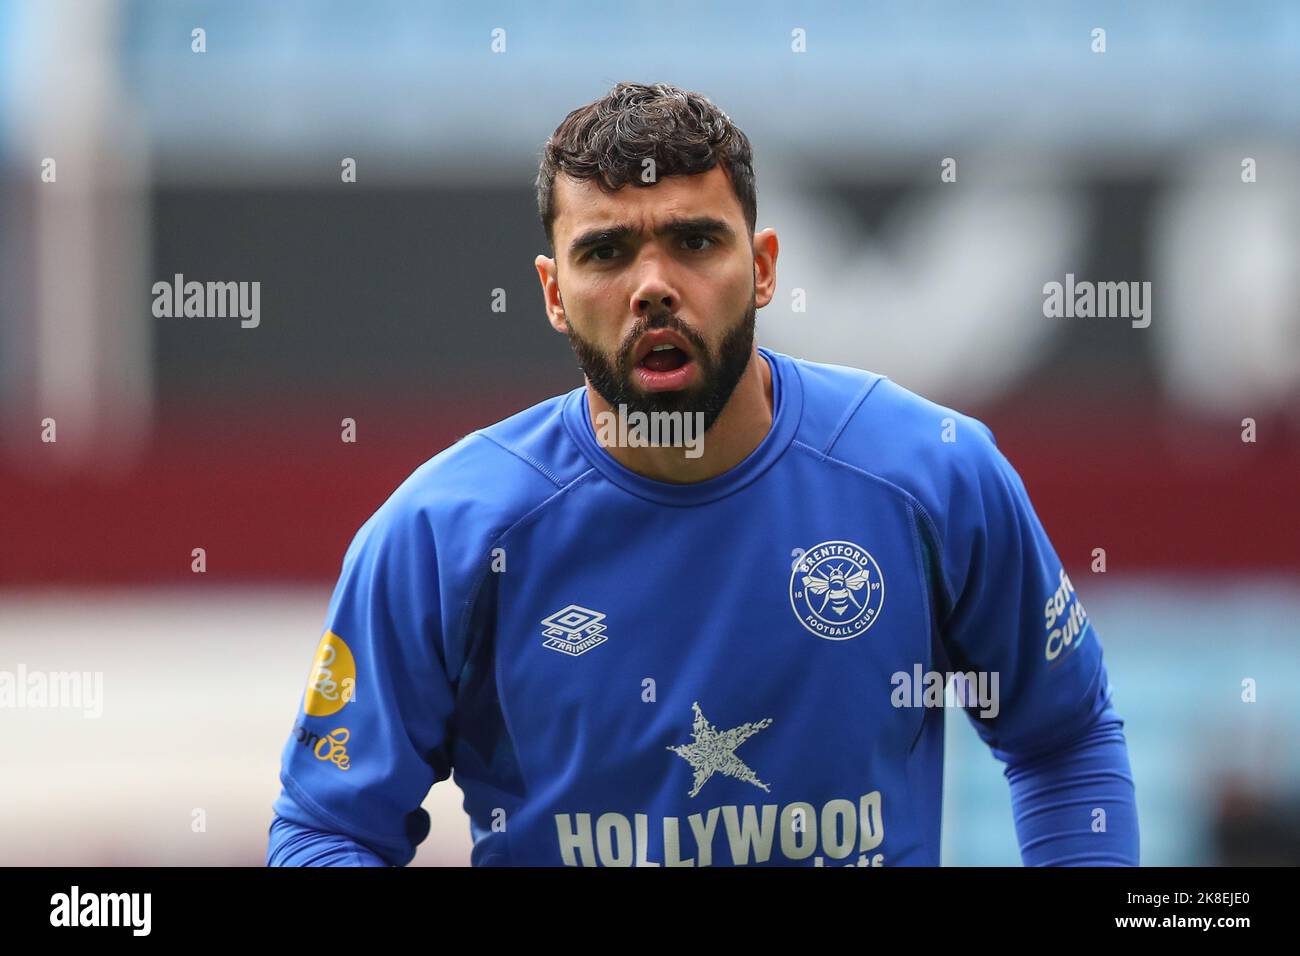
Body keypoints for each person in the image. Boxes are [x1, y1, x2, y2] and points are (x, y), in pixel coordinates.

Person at [266, 81, 1138, 867]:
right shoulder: (439, 537)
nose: (654, 286)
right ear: (553, 293)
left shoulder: (934, 476)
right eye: (606, 253)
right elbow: (329, 833)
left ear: (760, 267)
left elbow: (1064, 739)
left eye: (694, 241)